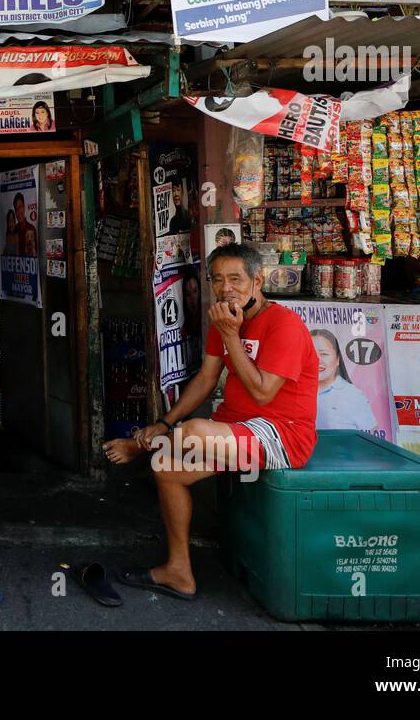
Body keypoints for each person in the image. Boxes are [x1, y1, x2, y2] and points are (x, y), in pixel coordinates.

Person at [103, 243, 319, 600]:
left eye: (235, 278)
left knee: (193, 431)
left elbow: (264, 394)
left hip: (282, 438)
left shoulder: (284, 325)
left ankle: (137, 448)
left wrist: (231, 334)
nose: (225, 287)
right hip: (235, 430)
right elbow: (205, 379)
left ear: (258, 280)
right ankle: (179, 571)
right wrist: (163, 421)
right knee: (168, 468)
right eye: (217, 279)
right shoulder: (225, 320)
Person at [312, 329, 379, 432]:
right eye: (310, 354)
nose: (317, 360)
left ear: (338, 359)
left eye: (324, 354)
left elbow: (371, 437)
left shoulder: (353, 395)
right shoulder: (294, 393)